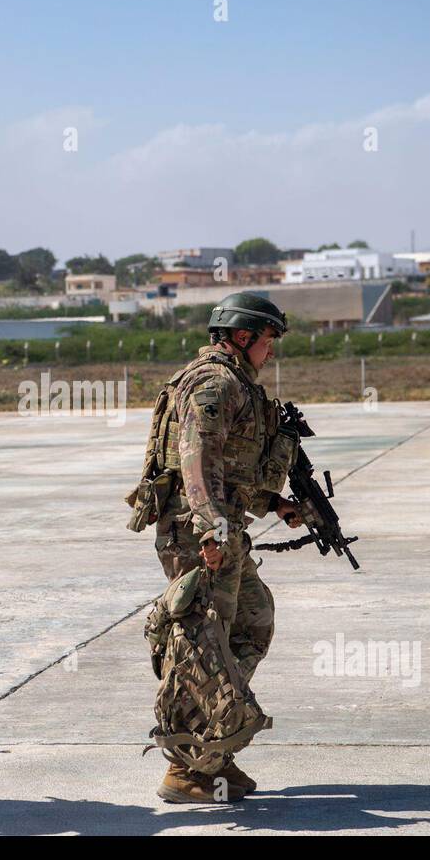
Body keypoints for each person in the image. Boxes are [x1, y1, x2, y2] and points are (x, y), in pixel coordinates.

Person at [129, 292, 303, 804]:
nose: (271, 350)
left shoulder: (237, 383)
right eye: (268, 339)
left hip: (221, 528)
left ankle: (215, 748)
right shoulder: (215, 383)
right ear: (243, 336)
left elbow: (232, 464)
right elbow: (197, 461)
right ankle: (188, 768)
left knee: (251, 621)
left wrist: (276, 504)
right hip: (199, 533)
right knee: (202, 646)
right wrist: (211, 530)